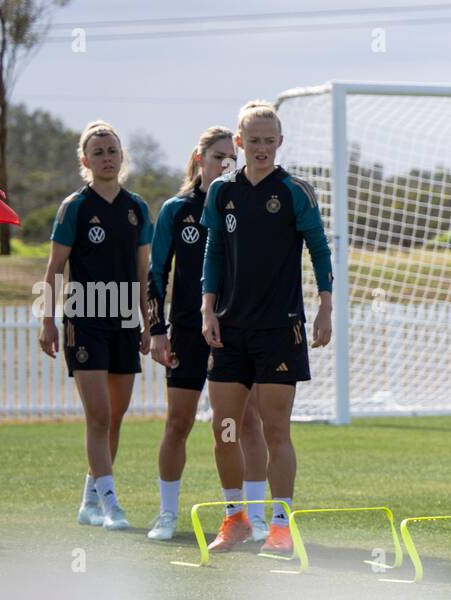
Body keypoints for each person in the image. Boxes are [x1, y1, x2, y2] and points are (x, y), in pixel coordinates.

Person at [200, 100, 333, 555]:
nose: (261, 148)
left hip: (280, 328)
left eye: (268, 140)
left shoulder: (295, 190)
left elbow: (319, 249)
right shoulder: (221, 192)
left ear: (280, 142)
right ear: (238, 143)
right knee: (225, 428)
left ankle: (280, 526)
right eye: (252, 141)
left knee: (277, 430)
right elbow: (214, 252)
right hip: (230, 329)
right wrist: (207, 309)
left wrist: (324, 307)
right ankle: (234, 518)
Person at [145, 126, 270, 543]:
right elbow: (156, 272)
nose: (226, 163)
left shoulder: (241, 203)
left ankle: (254, 519)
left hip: (234, 331)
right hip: (186, 331)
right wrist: (158, 329)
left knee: (246, 423)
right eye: (218, 157)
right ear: (200, 159)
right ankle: (166, 514)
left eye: (230, 157)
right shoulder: (176, 209)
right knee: (178, 422)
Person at [38, 120, 151, 531]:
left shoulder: (137, 208)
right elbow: (53, 268)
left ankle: (89, 500)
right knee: (99, 416)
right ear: (86, 160)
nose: (107, 157)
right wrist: (47, 321)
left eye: (113, 150)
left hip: (124, 321)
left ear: (123, 157)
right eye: (98, 152)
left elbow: (144, 273)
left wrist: (148, 324)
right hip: (83, 321)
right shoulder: (75, 206)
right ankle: (110, 505)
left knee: (116, 418)